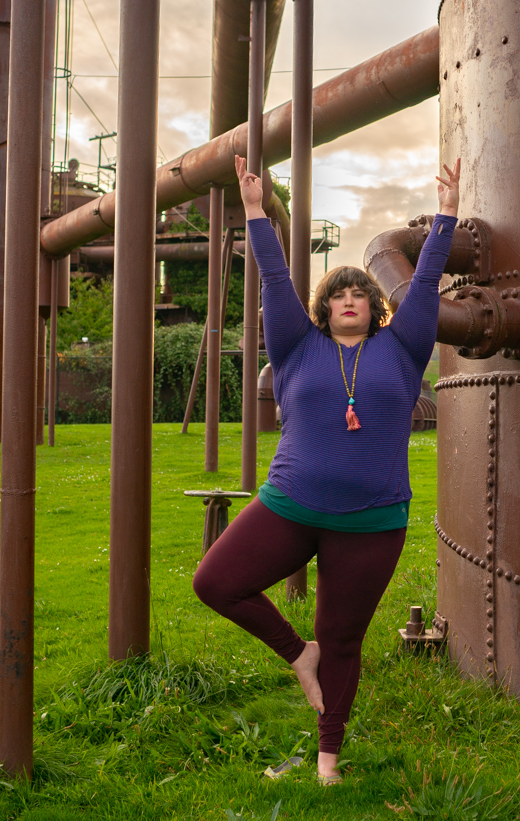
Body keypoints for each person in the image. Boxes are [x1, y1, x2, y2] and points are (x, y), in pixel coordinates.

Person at [192, 155, 460, 784]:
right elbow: (275, 280)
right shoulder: (294, 345)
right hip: (289, 505)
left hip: (372, 522)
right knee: (216, 582)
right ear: (322, 309)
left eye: (358, 295)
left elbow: (424, 285)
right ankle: (297, 654)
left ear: (374, 307)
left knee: (343, 638)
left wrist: (445, 216)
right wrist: (257, 211)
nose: (348, 301)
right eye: (337, 296)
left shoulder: (403, 348)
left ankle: (327, 762)